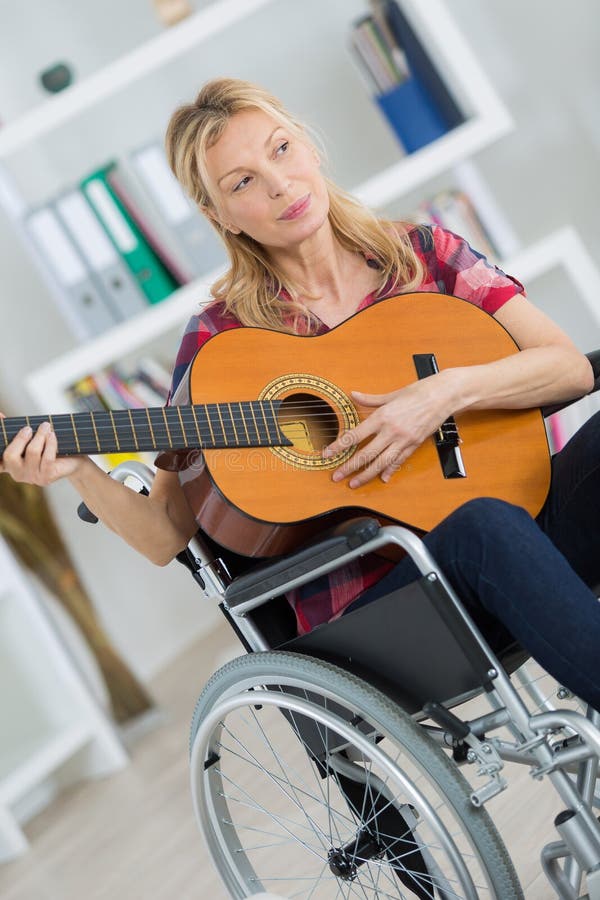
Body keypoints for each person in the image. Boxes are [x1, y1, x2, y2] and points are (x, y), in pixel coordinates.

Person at [1, 77, 598, 708]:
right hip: (393, 607)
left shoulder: (425, 254)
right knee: (482, 525)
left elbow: (569, 369)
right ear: (218, 216)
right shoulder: (219, 341)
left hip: (527, 530)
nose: (279, 184)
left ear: (309, 147)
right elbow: (167, 533)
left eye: (281, 150)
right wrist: (76, 470)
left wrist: (443, 393)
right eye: (242, 182)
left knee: (497, 518)